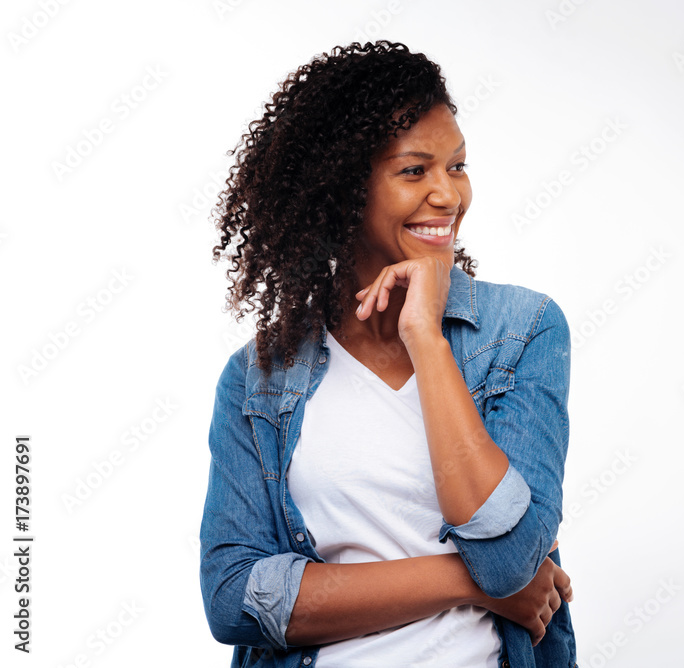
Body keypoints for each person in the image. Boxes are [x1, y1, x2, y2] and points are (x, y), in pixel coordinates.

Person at [199, 40, 577, 667]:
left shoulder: (523, 330)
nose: (448, 195)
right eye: (414, 171)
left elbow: (510, 557)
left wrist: (425, 336)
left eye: (456, 166)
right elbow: (234, 598)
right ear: (344, 188)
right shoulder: (258, 379)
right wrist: (464, 580)